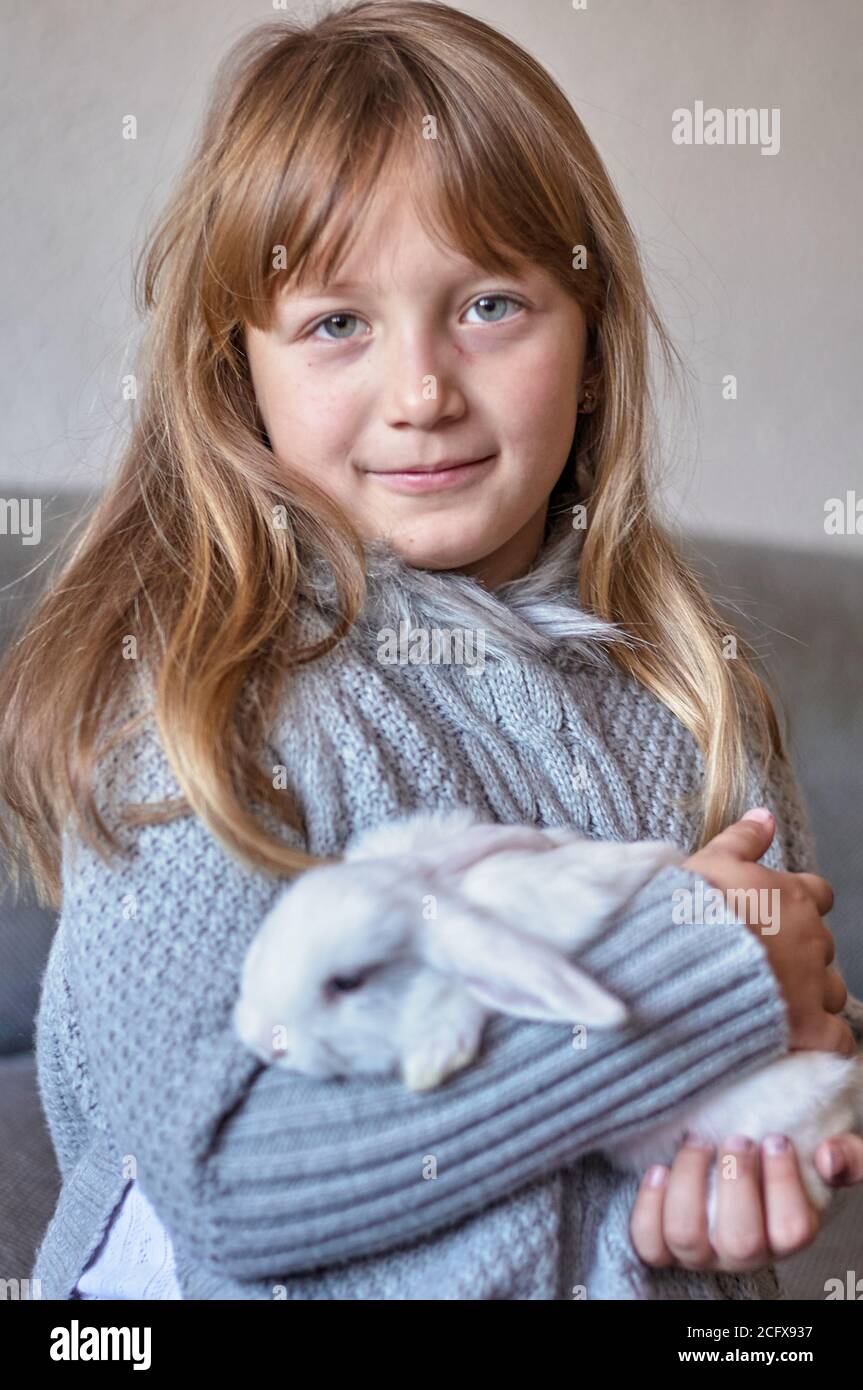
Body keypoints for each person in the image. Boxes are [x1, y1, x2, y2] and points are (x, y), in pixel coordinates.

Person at [2, 1, 860, 1300]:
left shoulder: (696, 695)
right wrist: (705, 980)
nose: (422, 391)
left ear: (590, 348)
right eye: (339, 323)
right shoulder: (205, 709)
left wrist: (737, 1170)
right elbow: (224, 1182)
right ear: (241, 377)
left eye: (491, 304)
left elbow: (788, 1032)